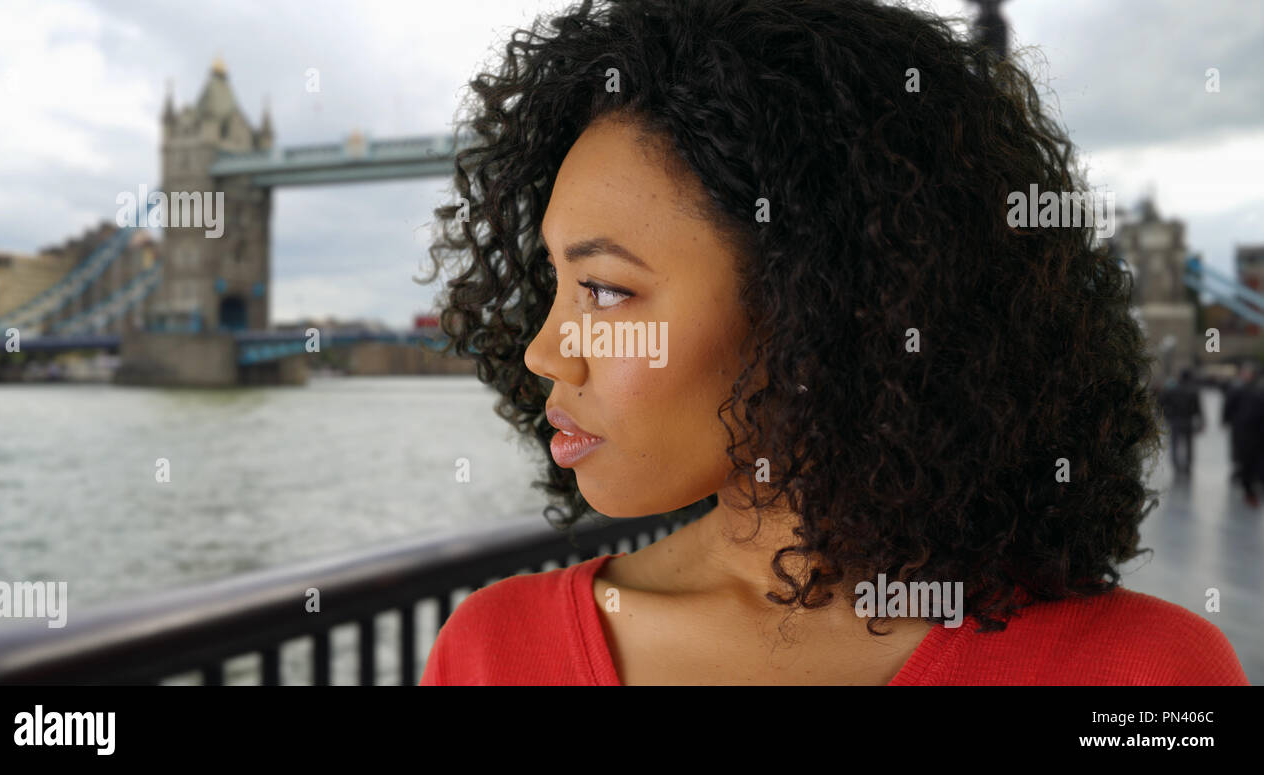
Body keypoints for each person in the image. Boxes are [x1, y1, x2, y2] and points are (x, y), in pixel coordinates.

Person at [419, 0, 1246, 685]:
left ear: (819, 297)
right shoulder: (490, 654)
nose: (542, 350)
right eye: (554, 284)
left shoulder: (1146, 676)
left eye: (603, 290)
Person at [1157, 367, 1203, 477]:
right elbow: (1198, 408)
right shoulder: (1193, 390)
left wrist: (1165, 415)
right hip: (1188, 419)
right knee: (1188, 444)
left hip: (1175, 419)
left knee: (1175, 443)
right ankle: (1187, 465)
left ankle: (1176, 465)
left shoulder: (1172, 389)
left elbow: (1161, 403)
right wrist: (1201, 421)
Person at [1230, 371, 1264, 508]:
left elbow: (1230, 409)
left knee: (1248, 460)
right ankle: (1251, 486)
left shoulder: (1239, 392)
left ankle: (1249, 487)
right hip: (1252, 434)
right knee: (1252, 460)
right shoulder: (1258, 393)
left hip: (1246, 433)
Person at [1221, 363, 1256, 486]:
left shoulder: (1252, 388)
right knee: (1238, 448)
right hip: (1239, 425)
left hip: (1251, 426)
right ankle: (1239, 469)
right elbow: (1228, 406)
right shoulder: (1237, 388)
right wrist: (1225, 420)